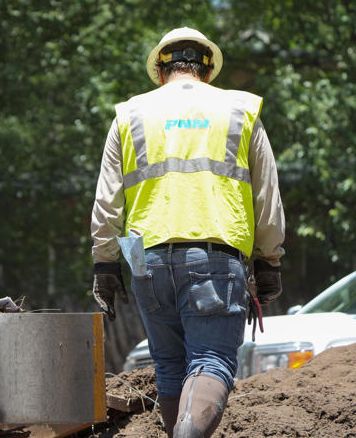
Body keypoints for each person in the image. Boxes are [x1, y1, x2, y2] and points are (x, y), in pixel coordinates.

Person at [90, 27, 285, 437]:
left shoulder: (130, 114)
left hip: (146, 258)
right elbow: (267, 194)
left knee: (169, 364)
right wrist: (269, 260)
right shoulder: (239, 110)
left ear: (161, 71)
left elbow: (107, 201)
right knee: (212, 361)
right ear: (208, 69)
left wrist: (105, 266)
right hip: (214, 253)